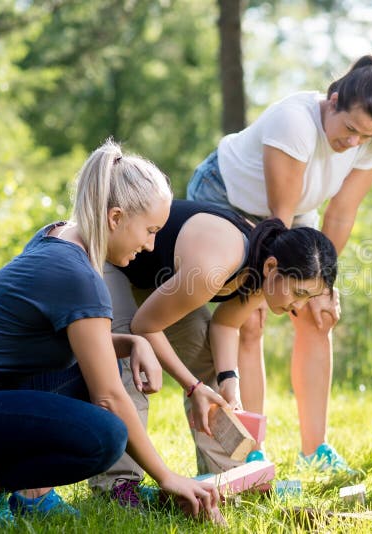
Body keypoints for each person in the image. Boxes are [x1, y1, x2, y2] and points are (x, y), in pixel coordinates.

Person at [0, 140, 221, 525]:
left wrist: (133, 341)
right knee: (105, 436)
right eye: (150, 230)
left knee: (101, 366)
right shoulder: (75, 273)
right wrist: (168, 477)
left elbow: (80, 344)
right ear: (115, 217)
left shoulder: (61, 237)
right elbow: (109, 397)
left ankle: (32, 491)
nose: (151, 245)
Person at [186, 54, 372, 471]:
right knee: (249, 318)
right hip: (226, 198)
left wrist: (323, 287)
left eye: (366, 135)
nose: (353, 142)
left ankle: (314, 451)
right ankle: (251, 451)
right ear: (333, 99)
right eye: (349, 129)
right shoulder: (295, 123)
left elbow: (340, 214)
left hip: (294, 212)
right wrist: (271, 293)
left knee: (318, 315)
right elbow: (277, 229)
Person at [89, 199, 338, 496]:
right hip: (114, 261)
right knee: (133, 362)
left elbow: (225, 325)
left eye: (307, 298)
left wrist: (228, 380)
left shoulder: (266, 266)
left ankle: (225, 477)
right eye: (298, 293)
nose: (298, 307)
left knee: (208, 365)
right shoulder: (217, 267)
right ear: (273, 267)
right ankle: (118, 486)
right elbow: (144, 327)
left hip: (163, 280)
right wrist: (192, 387)